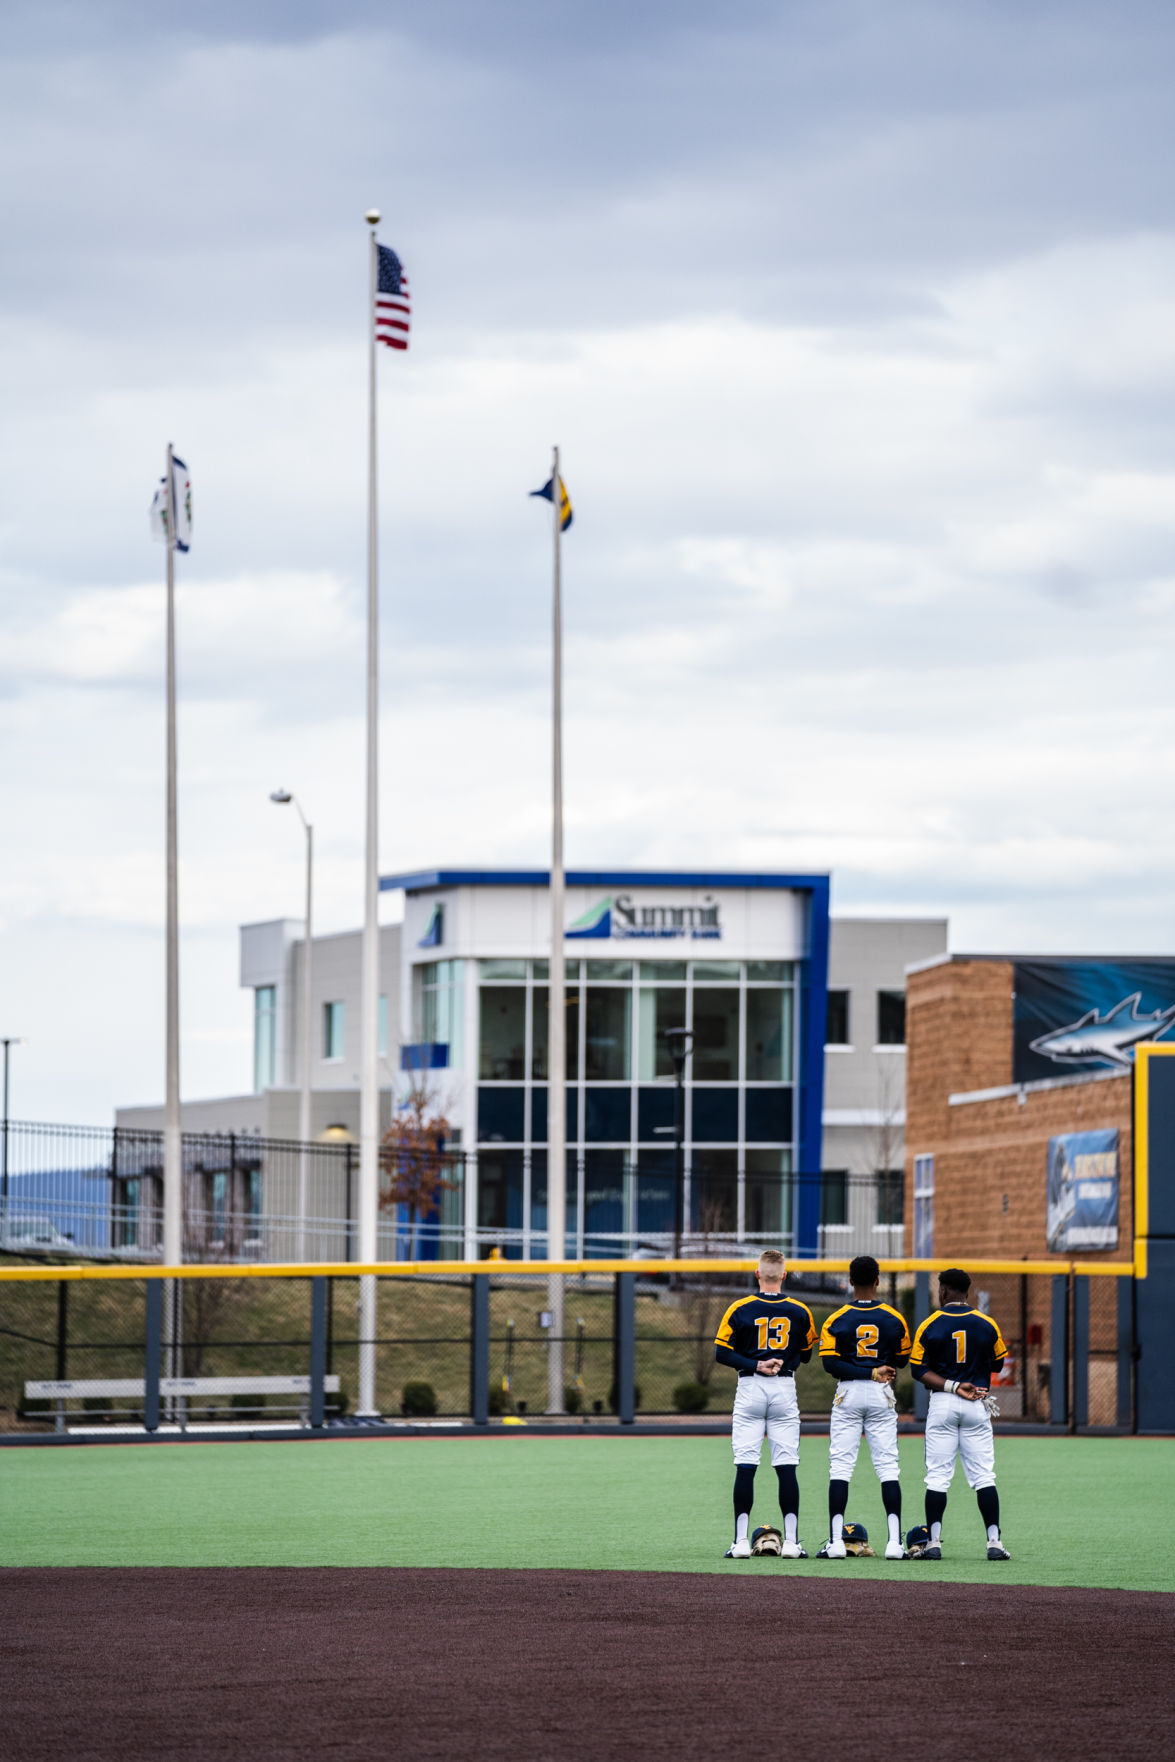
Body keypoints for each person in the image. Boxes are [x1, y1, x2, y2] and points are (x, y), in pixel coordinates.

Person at [714, 1248, 818, 1560]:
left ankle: (741, 1542)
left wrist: (757, 1364)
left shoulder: (740, 1308)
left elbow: (722, 1353)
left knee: (746, 1465)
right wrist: (781, 1362)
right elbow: (807, 1353)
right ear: (784, 1275)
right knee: (786, 1466)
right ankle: (792, 1543)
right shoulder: (799, 1310)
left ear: (757, 1274)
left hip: (750, 1386)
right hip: (784, 1386)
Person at [908, 1266, 1012, 1560]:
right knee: (984, 1477)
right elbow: (998, 1365)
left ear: (944, 1290)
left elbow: (918, 1370)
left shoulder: (930, 1323)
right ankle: (994, 1542)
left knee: (937, 1478)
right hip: (977, 1402)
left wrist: (952, 1383)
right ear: (967, 1292)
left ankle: (934, 1543)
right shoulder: (986, 1323)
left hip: (944, 1401)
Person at [818, 1253, 911, 1560]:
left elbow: (830, 1364)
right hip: (881, 1392)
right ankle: (895, 1544)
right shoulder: (894, 1317)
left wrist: (864, 1369)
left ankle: (834, 1543)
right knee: (888, 1468)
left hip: (849, 1391)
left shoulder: (836, 1318)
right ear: (878, 1281)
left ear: (849, 1281)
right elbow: (901, 1359)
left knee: (840, 1467)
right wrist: (877, 1369)